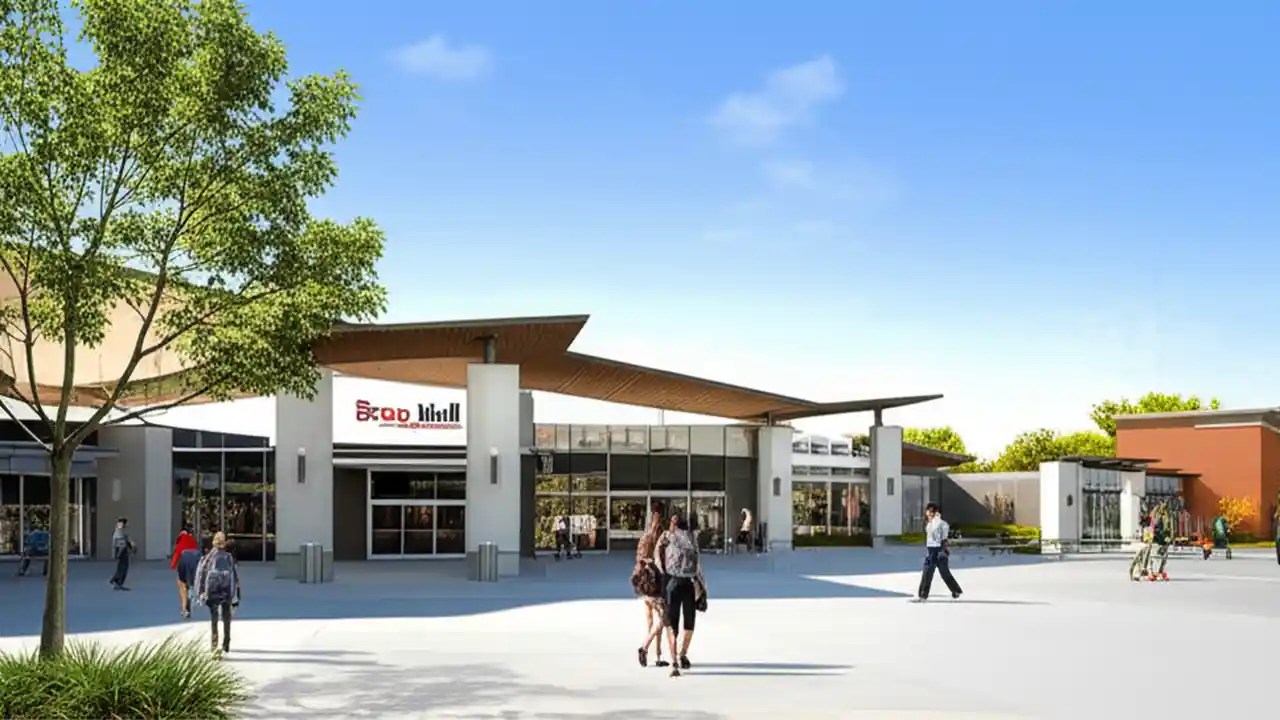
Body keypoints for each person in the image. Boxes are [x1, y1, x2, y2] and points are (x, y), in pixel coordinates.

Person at [655, 515, 703, 678]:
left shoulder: (667, 537)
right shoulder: (692, 540)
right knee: (689, 623)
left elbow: (658, 558)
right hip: (688, 584)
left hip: (672, 583)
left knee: (671, 625)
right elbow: (698, 566)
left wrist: (663, 576)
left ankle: (674, 661)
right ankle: (683, 654)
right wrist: (702, 588)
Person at [195, 532, 241, 657]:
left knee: (214, 619)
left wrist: (200, 592)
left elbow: (201, 575)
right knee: (227, 617)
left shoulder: (208, 557)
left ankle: (214, 646)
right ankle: (226, 642)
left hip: (212, 591)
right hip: (226, 591)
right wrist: (236, 594)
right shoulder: (228, 557)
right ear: (224, 542)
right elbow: (235, 576)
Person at [632, 511, 668, 668]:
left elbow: (637, 560)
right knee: (662, 619)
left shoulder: (644, 538)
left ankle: (656, 654)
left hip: (644, 585)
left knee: (650, 621)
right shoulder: (661, 539)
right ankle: (648, 649)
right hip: (656, 585)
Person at [914, 503, 962, 602]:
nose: (929, 514)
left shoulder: (941, 524)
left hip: (940, 551)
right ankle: (923, 593)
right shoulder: (929, 523)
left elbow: (944, 536)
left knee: (944, 572)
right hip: (931, 551)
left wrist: (943, 546)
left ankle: (956, 590)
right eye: (928, 512)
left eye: (932, 512)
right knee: (927, 572)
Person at [174, 530, 205, 618]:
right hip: (196, 558)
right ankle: (195, 594)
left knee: (182, 585)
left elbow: (177, 557)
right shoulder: (195, 544)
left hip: (185, 559)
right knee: (194, 580)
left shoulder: (180, 542)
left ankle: (185, 609)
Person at [110, 517, 135, 591]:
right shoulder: (120, 530)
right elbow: (122, 541)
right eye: (126, 523)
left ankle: (116, 580)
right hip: (122, 550)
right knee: (123, 566)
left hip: (121, 549)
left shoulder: (119, 529)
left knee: (122, 566)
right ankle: (117, 581)